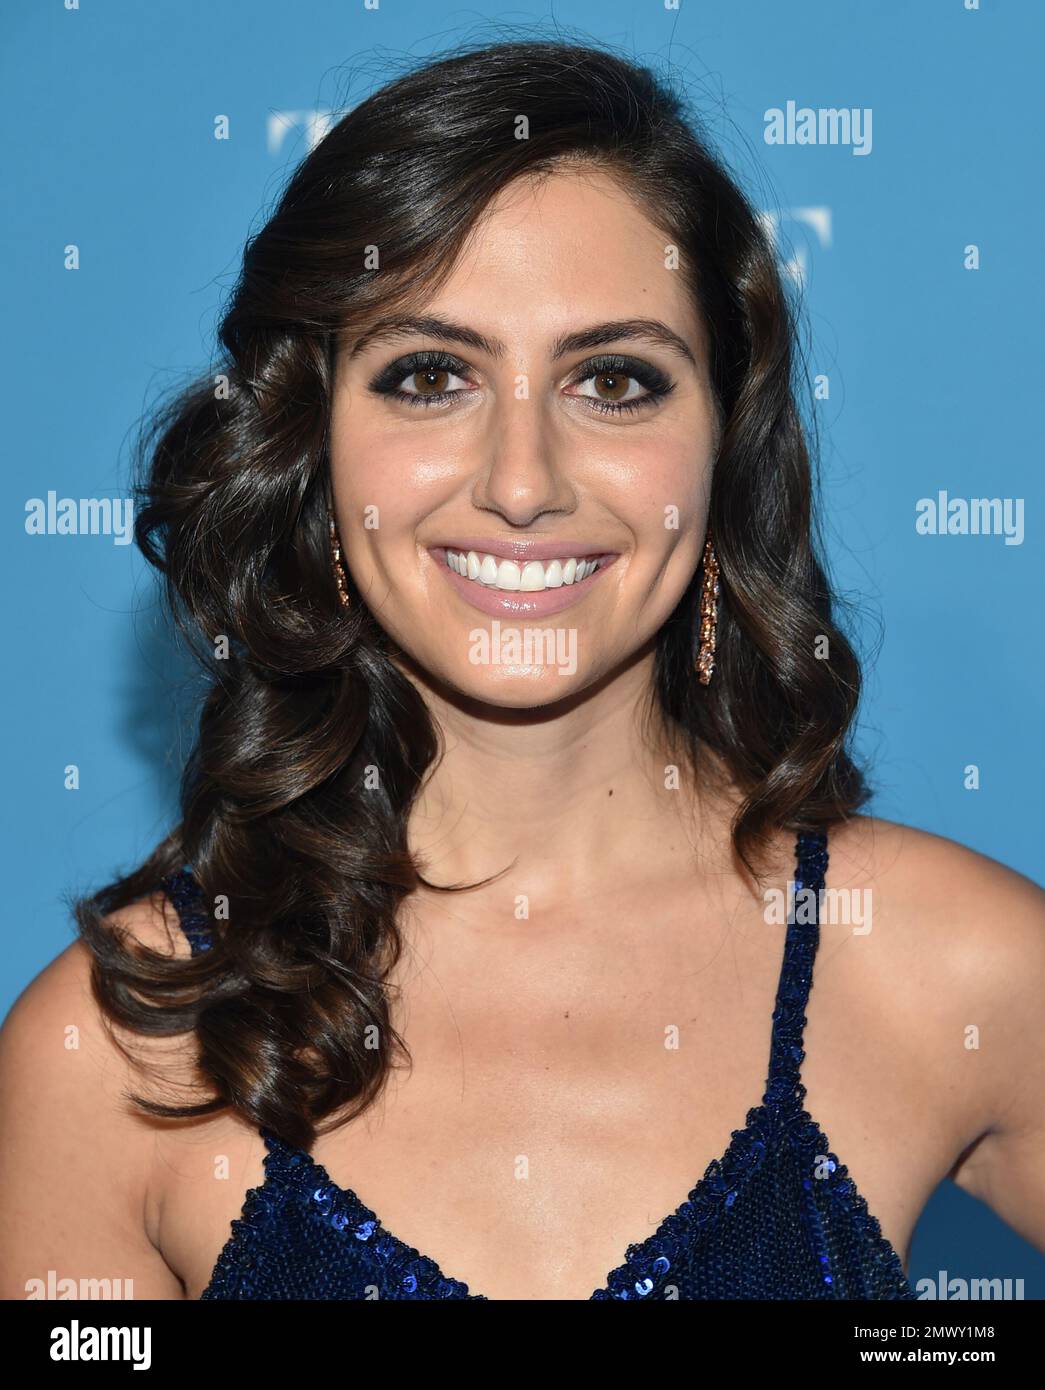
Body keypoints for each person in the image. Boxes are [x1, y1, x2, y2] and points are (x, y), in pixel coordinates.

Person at [1, 38, 1043, 1302]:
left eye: (614, 380)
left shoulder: (955, 968)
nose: (520, 481)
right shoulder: (119, 1044)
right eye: (429, 375)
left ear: (723, 448)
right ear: (310, 452)